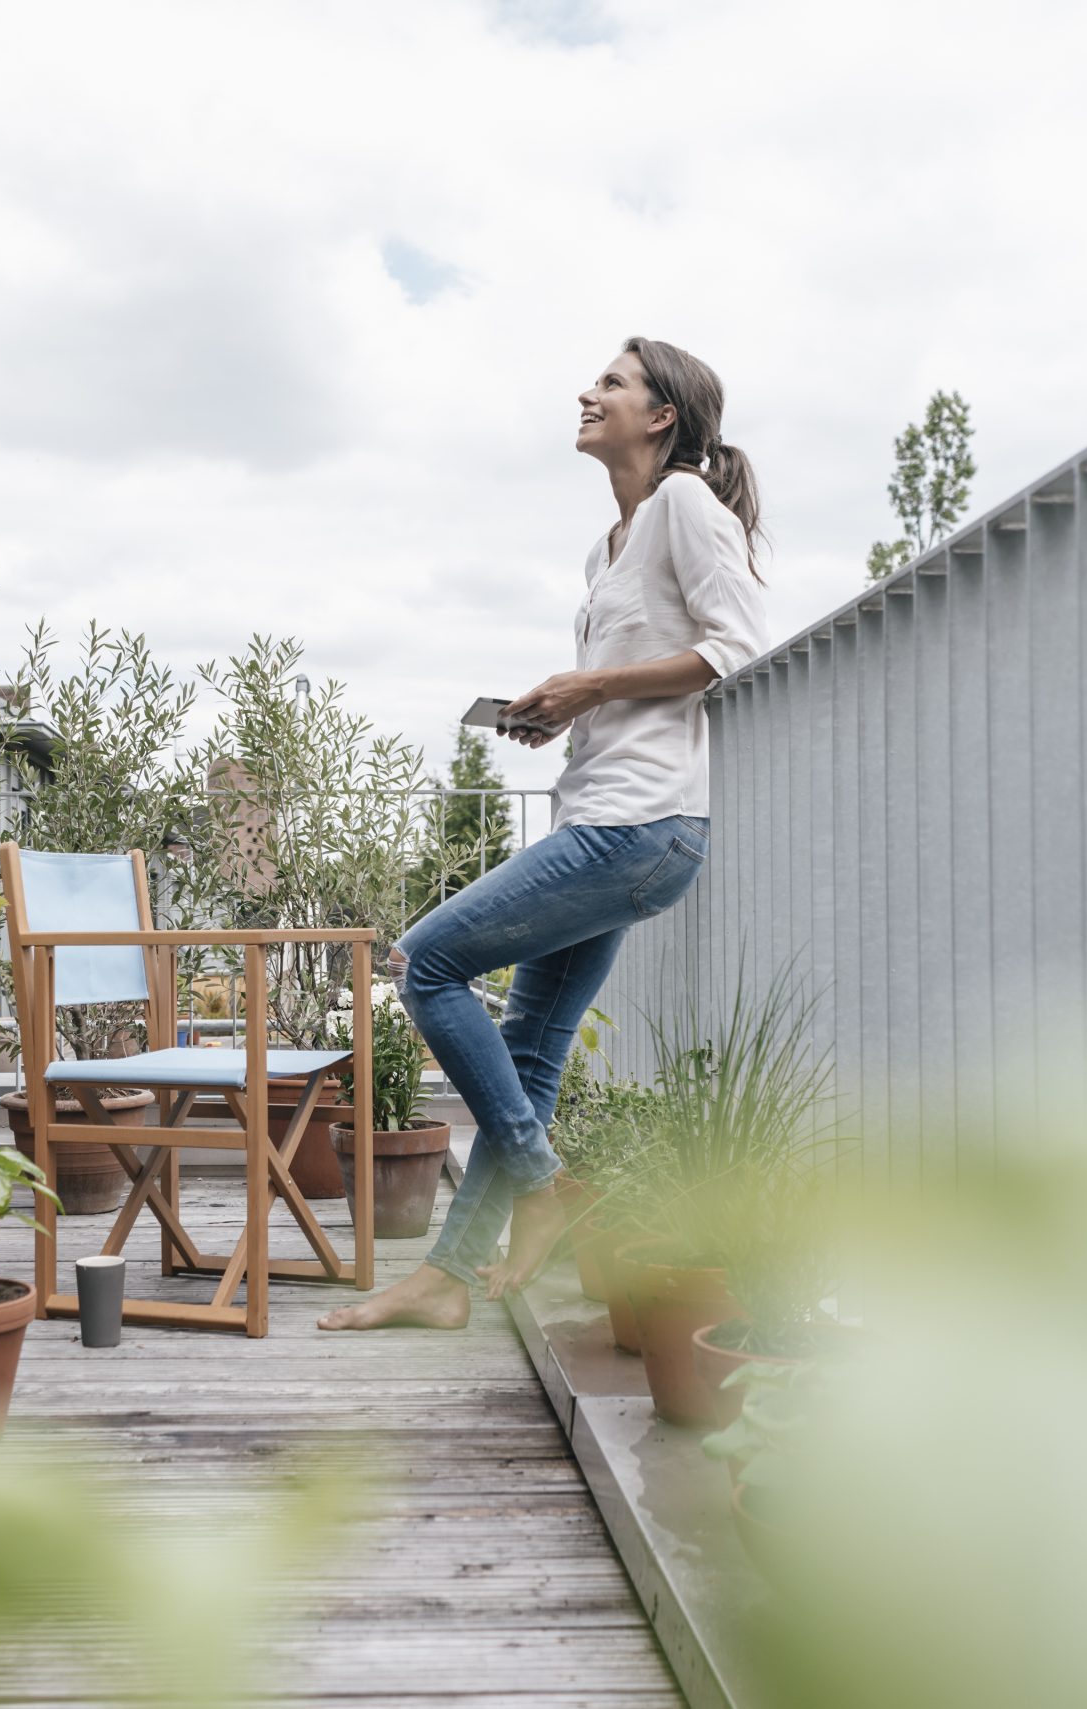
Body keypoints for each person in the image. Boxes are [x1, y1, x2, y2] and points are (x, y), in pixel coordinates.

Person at [320, 336, 768, 1332]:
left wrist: (592, 682)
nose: (586, 391)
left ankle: (545, 1185)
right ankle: (446, 1278)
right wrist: (561, 708)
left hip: (639, 824)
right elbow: (640, 670)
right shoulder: (607, 546)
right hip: (605, 809)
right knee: (525, 1049)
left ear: (660, 417)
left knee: (425, 962)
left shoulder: (687, 503)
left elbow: (735, 645)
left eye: (610, 382)